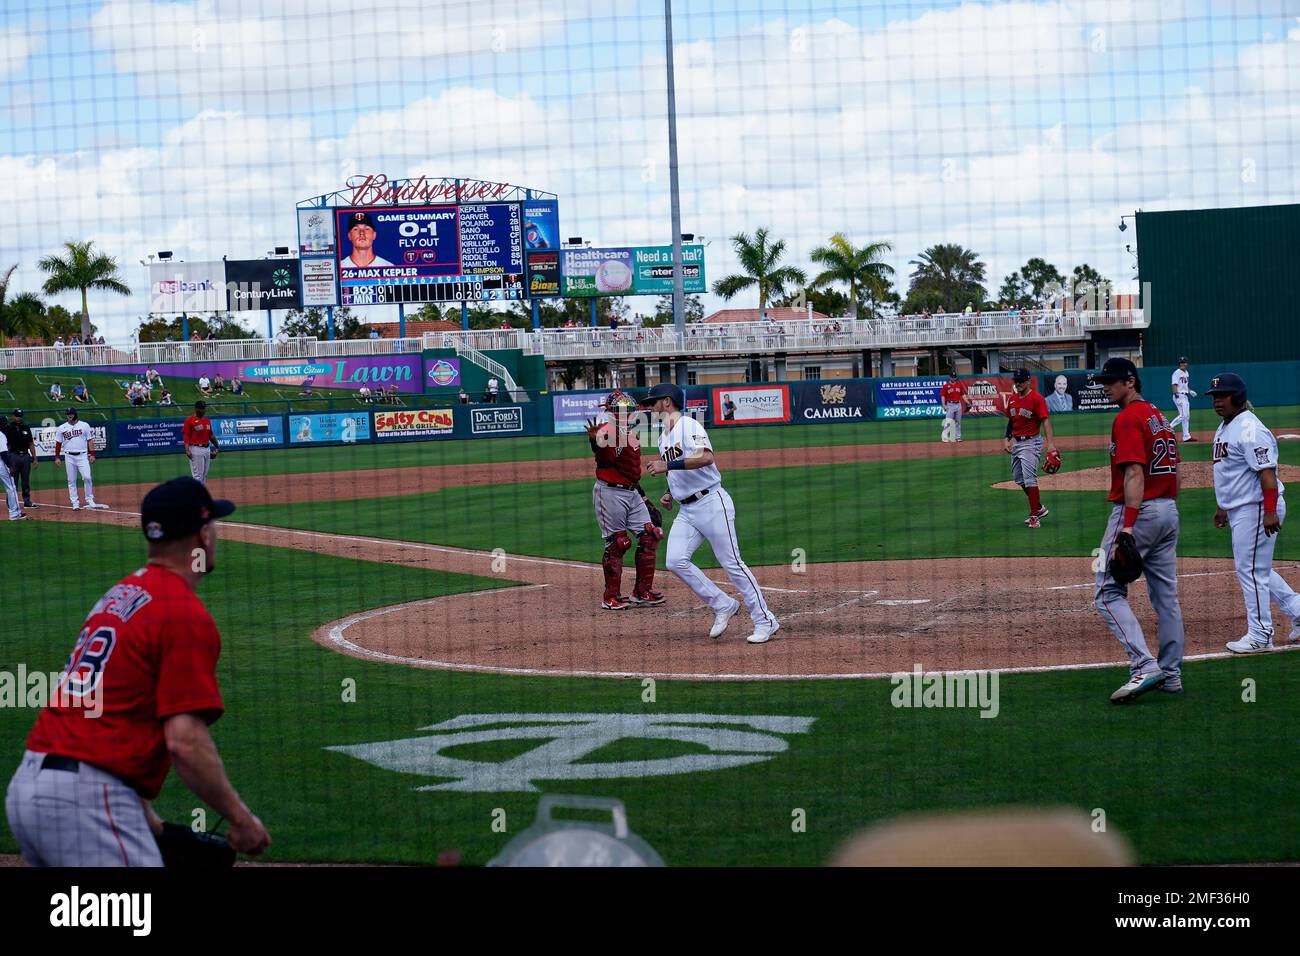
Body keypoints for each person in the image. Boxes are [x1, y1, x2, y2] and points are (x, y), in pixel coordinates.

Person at [3, 478, 272, 866]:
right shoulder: (183, 614)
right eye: (213, 525)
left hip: (32, 789)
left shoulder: (118, 597)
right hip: (86, 801)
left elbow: (111, 721)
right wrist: (241, 819)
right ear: (202, 534)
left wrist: (156, 829)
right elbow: (186, 742)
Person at [641, 382, 779, 644]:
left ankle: (765, 620)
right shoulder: (662, 436)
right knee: (674, 561)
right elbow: (677, 471)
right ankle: (723, 604)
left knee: (733, 564)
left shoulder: (688, 426)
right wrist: (672, 492)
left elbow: (706, 458)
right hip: (687, 509)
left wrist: (667, 465)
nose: (650, 406)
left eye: (653, 402)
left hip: (712, 503)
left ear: (667, 402)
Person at [1091, 357, 1185, 703]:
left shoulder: (1127, 418)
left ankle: (1144, 665)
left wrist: (1127, 528)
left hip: (1138, 512)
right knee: (1166, 598)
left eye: (1112, 381)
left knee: (1105, 590)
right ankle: (1172, 675)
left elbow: (1134, 473)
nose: (1106, 387)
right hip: (1168, 511)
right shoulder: (1159, 416)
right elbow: (1176, 471)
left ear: (1131, 381)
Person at [1206, 373, 1300, 652]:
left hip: (1258, 508)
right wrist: (1223, 506)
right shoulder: (1227, 426)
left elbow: (1266, 473)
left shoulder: (1250, 429)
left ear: (1237, 397)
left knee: (1250, 571)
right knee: (1258, 570)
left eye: (1222, 396)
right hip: (1242, 508)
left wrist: (1270, 511)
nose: (1217, 402)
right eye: (1214, 397)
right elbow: (1231, 472)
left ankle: (1260, 635)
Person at [585, 390, 664, 610]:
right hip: (610, 493)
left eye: (629, 409)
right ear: (610, 411)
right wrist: (595, 441)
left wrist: (645, 499)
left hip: (631, 492)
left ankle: (642, 592)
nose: (626, 413)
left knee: (651, 535)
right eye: (620, 410)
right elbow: (600, 447)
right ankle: (610, 596)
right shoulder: (607, 431)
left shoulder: (631, 433)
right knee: (618, 543)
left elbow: (630, 473)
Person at [1003, 369, 1058, 528]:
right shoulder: (1013, 399)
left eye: (1021, 380)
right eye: (1016, 381)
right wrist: (1007, 438)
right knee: (1019, 479)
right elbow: (1011, 421)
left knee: (1029, 479)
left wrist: (1051, 444)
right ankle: (1039, 508)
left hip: (1031, 443)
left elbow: (1045, 420)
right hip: (1017, 443)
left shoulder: (1036, 398)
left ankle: (1034, 517)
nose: (1018, 383)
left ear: (1029, 381)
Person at [53, 407, 105, 510]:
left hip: (82, 455)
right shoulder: (61, 428)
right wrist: (57, 457)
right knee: (71, 480)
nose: (69, 415)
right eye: (68, 414)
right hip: (69, 456)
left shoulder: (84, 425)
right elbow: (58, 443)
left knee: (87, 477)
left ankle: (89, 499)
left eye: (71, 413)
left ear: (75, 414)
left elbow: (90, 440)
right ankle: (75, 503)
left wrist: (93, 454)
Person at [3, 409, 37, 509]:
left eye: (20, 416)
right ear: (13, 416)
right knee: (13, 481)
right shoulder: (9, 428)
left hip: (26, 457)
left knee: (25, 480)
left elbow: (31, 443)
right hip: (13, 456)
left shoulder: (26, 427)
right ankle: (11, 503)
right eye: (17, 416)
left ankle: (27, 501)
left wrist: (35, 458)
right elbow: (5, 444)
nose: (19, 417)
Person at [183, 400, 219, 485]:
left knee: (204, 475)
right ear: (196, 409)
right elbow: (186, 435)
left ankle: (201, 496)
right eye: (201, 408)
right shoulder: (190, 420)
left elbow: (211, 436)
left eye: (204, 408)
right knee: (197, 476)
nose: (203, 410)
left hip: (207, 449)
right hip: (195, 449)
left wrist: (217, 447)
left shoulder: (207, 420)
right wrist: (187, 450)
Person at [0, 420, 28, 520]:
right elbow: (3, 453)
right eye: (5, 424)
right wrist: (9, 466)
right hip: (1, 464)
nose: (7, 425)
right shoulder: (1, 435)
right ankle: (15, 514)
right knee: (11, 487)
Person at [1169, 356, 1197, 442]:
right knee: (1184, 415)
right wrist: (1177, 396)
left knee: (1186, 416)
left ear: (1187, 364)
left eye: (1184, 362)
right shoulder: (1177, 373)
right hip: (1179, 396)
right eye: (1181, 363)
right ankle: (1168, 428)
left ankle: (1186, 436)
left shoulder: (1186, 373)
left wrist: (1190, 391)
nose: (1183, 364)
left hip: (1185, 396)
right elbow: (1174, 385)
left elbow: (1184, 386)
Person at [940, 371, 971, 441]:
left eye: (954, 377)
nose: (953, 378)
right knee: (948, 421)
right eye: (952, 377)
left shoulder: (959, 385)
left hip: (958, 405)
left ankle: (958, 437)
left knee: (958, 422)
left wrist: (968, 402)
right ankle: (944, 437)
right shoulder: (946, 386)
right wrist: (944, 405)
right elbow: (943, 396)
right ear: (949, 377)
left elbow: (963, 395)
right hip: (950, 405)